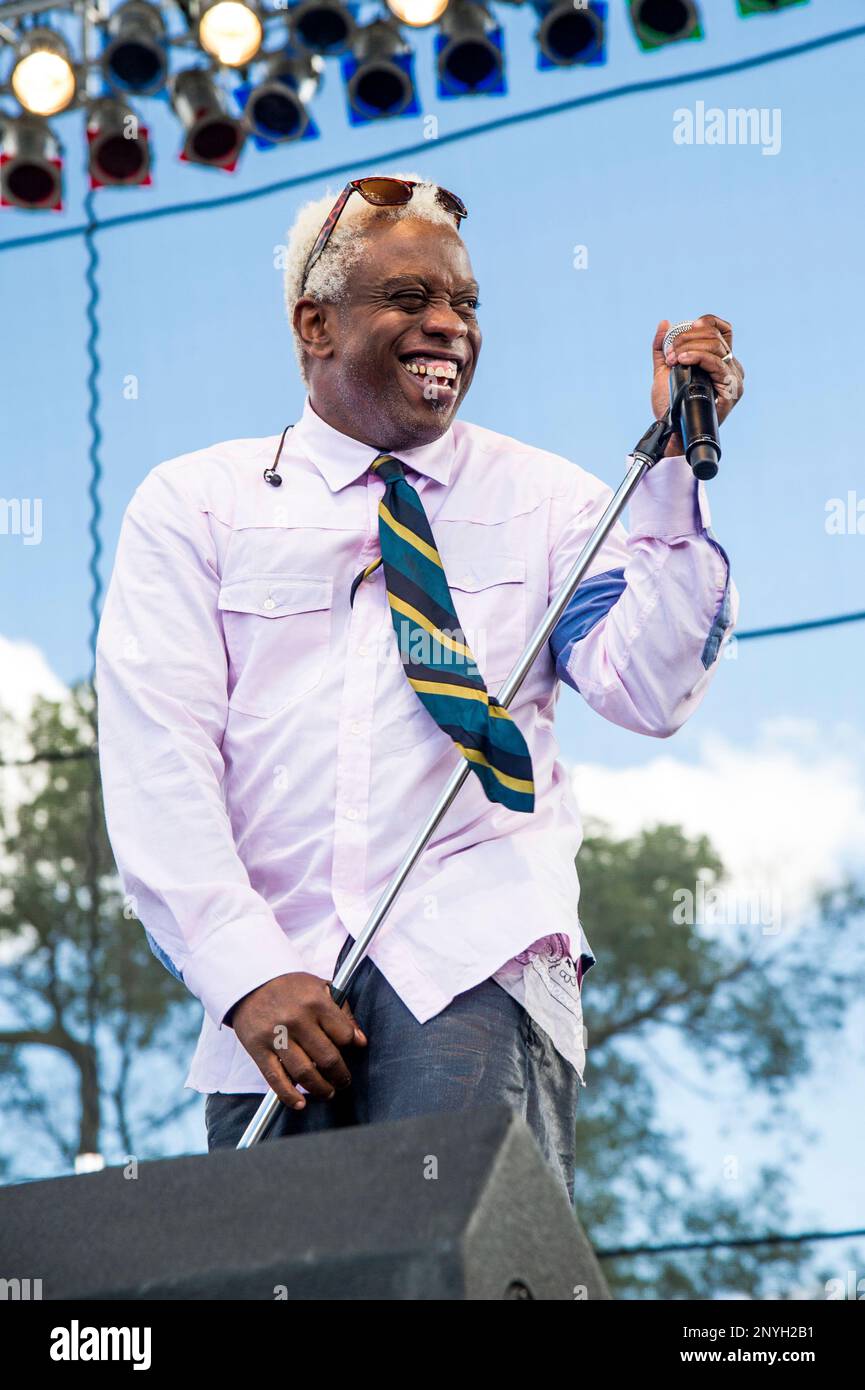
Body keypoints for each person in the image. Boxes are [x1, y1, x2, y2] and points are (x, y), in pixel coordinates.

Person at [96, 174, 743, 1203]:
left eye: (466, 304)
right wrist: (243, 969)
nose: (447, 325)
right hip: (267, 999)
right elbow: (155, 761)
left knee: (461, 1270)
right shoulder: (194, 506)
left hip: (474, 956)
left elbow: (651, 689)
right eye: (407, 299)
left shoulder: (548, 501)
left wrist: (669, 478)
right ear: (316, 322)